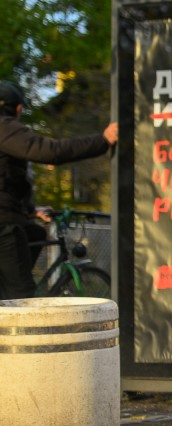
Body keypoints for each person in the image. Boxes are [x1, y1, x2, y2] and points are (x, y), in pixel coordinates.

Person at [0, 81, 117, 299]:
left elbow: (7, 178)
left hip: (11, 214)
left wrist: (28, 210)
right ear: (17, 109)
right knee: (20, 298)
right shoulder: (4, 127)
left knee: (34, 232)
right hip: (3, 223)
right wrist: (102, 141)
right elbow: (52, 151)